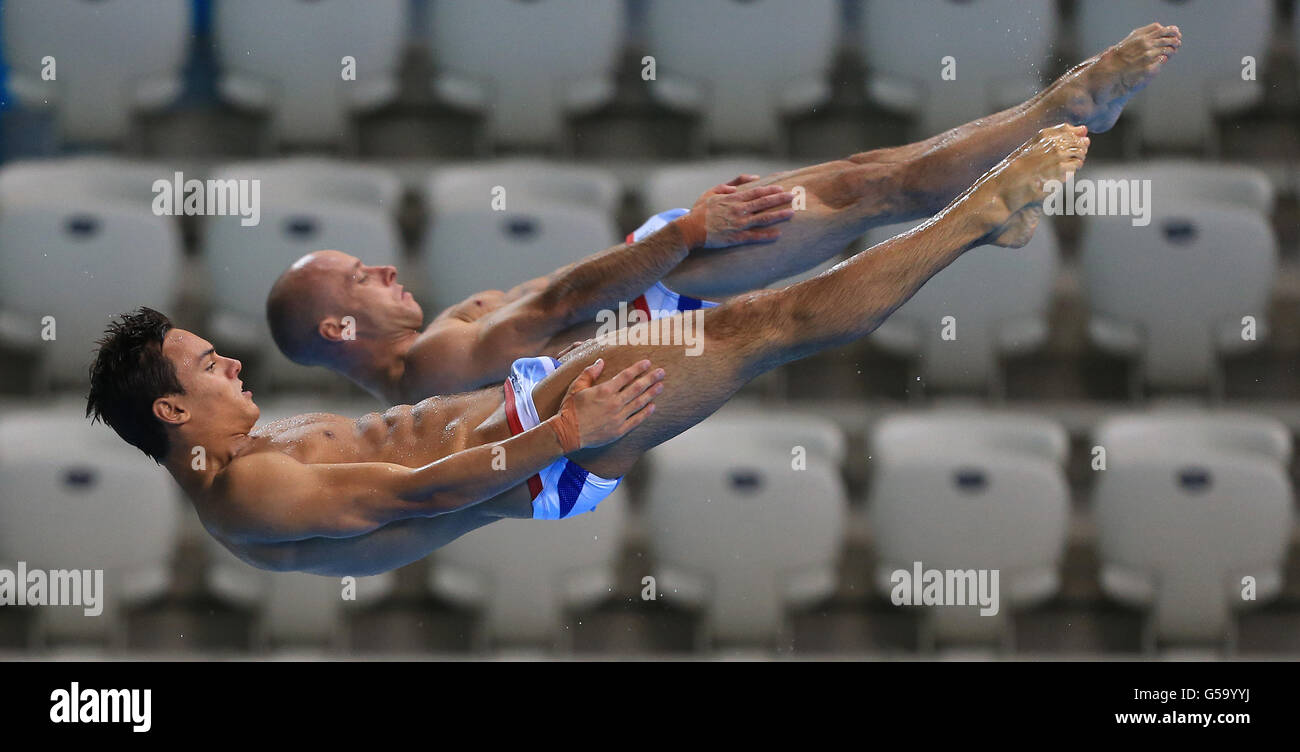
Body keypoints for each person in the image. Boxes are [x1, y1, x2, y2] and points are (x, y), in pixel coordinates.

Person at [87, 123, 1088, 576]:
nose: (228, 365)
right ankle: (977, 215)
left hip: (530, 424)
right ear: (169, 409)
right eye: (205, 364)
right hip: (536, 446)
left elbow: (526, 318)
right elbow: (418, 493)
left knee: (757, 315)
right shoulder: (246, 499)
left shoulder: (265, 447)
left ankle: (969, 202)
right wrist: (560, 426)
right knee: (758, 329)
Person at [265, 23, 1180, 404]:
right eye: (359, 278)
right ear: (340, 326)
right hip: (646, 318)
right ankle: (1018, 165)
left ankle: (1058, 111)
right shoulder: (431, 365)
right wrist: (686, 236)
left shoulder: (425, 364)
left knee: (864, 183)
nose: (384, 268)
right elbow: (550, 315)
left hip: (638, 298)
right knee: (844, 234)